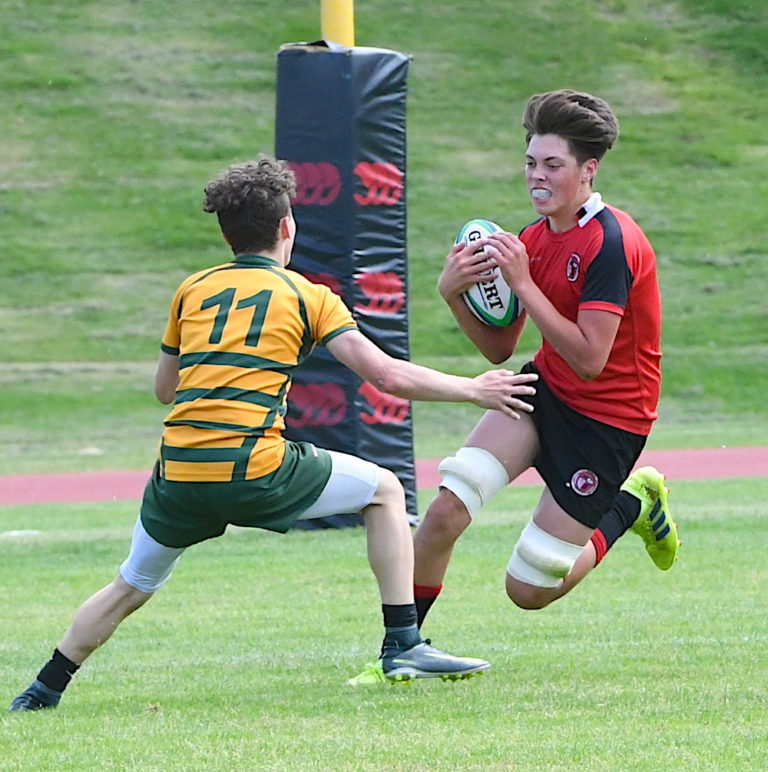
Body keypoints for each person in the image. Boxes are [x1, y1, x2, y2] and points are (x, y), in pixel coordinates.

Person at [9, 157, 541, 711]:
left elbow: (165, 390)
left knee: (131, 586)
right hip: (252, 465)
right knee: (384, 490)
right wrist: (474, 388)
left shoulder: (192, 290)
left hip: (180, 472)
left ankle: (43, 688)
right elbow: (385, 375)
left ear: (226, 233)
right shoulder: (308, 295)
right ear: (288, 226)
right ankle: (403, 643)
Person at [348, 89, 680, 684]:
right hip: (541, 391)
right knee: (447, 508)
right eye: (531, 162)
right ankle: (401, 649)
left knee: (527, 590)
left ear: (588, 169)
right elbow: (501, 349)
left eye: (552, 164)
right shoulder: (532, 237)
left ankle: (631, 504)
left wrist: (523, 283)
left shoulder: (611, 242)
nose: (537, 175)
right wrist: (451, 292)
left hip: (609, 421)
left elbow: (590, 360)